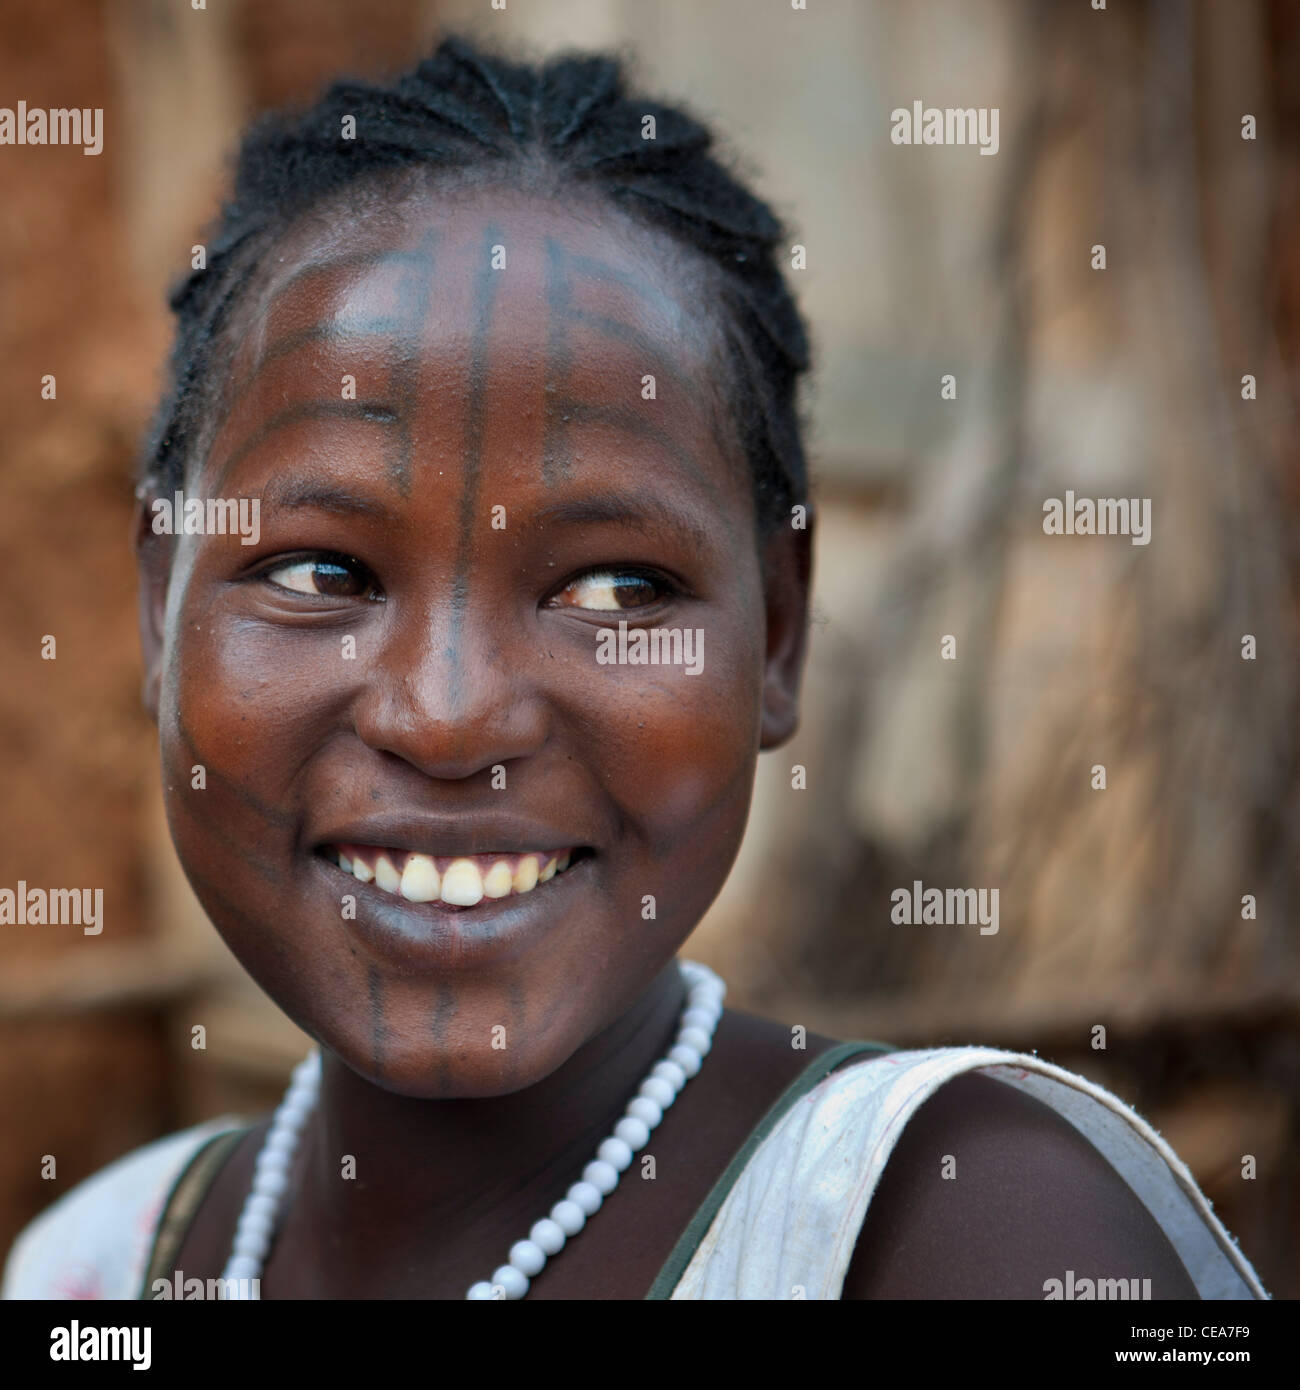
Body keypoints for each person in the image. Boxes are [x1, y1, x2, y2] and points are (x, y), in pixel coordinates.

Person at [2, 32, 1267, 1301]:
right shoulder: (97, 1272)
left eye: (615, 587)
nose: (447, 717)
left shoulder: (962, 1231)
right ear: (162, 608)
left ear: (777, 629)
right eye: (324, 574)